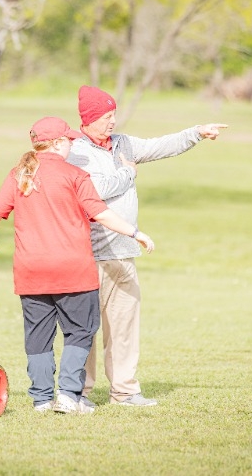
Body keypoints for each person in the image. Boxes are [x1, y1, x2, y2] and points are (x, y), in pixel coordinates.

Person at [0, 116, 155, 415]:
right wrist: (135, 233)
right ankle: (68, 395)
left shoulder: (19, 174)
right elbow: (102, 214)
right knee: (80, 332)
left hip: (31, 272)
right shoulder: (75, 175)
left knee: (38, 336)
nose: (72, 144)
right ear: (55, 143)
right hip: (73, 271)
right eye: (68, 140)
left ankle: (42, 399)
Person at [66, 85, 228, 407]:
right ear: (89, 119)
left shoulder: (123, 143)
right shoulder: (75, 152)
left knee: (124, 328)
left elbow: (160, 146)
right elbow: (94, 191)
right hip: (89, 255)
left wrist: (196, 132)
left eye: (114, 115)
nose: (113, 122)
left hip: (123, 253)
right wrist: (128, 173)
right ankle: (79, 393)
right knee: (85, 330)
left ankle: (124, 392)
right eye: (106, 116)